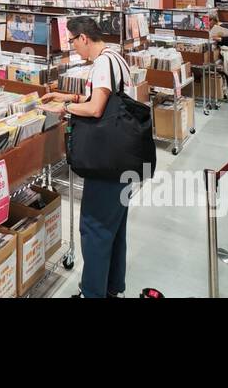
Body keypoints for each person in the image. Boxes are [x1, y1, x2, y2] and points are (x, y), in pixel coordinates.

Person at [40, 16, 135, 298]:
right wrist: (67, 97)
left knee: (94, 227)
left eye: (72, 41)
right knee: (115, 228)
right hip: (124, 159)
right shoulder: (116, 57)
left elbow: (96, 109)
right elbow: (105, 99)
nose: (73, 48)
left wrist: (63, 110)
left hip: (107, 162)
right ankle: (112, 288)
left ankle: (92, 292)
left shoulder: (103, 63)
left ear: (83, 38)